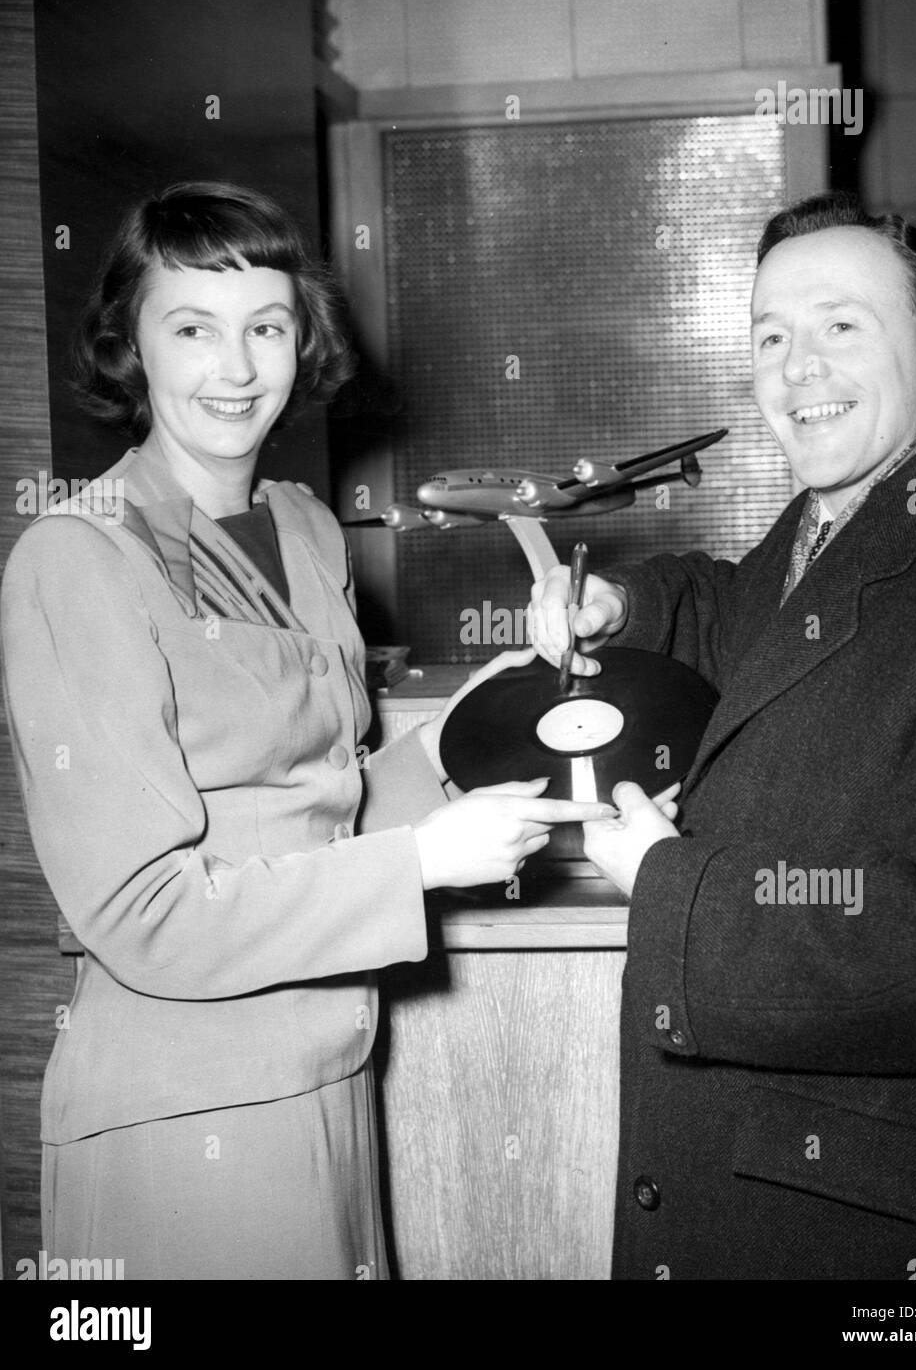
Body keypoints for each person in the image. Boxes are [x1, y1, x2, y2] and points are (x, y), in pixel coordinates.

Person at [0, 181, 613, 1281]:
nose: (235, 368)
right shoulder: (78, 555)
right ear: (129, 346)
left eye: (266, 327)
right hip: (183, 1108)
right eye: (191, 328)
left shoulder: (300, 523)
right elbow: (141, 910)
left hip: (327, 1068)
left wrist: (476, 723)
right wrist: (419, 866)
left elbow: (324, 801)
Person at [530, 191, 916, 1280]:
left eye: (841, 325)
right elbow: (744, 613)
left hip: (863, 1230)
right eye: (769, 335)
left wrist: (668, 886)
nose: (797, 368)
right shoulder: (846, 516)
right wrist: (625, 603)